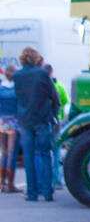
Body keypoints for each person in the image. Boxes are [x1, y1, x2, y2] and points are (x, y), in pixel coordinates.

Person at [13, 47, 59, 202]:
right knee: (45, 154)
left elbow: (18, 97)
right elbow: (53, 95)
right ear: (36, 58)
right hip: (42, 118)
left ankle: (32, 192)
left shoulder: (17, 75)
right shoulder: (42, 74)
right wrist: (54, 114)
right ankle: (47, 192)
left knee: (29, 157)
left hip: (25, 119)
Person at [44, 64, 69, 189]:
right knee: (56, 150)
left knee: (44, 152)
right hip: (56, 120)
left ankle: (46, 180)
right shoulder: (59, 86)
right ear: (51, 72)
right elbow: (65, 102)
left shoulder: (42, 86)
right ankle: (57, 180)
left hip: (44, 120)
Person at [0, 64, 19, 193]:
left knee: (4, 152)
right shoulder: (17, 89)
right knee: (12, 153)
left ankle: (2, 182)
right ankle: (10, 184)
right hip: (13, 122)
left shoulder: (1, 88)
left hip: (2, 121)